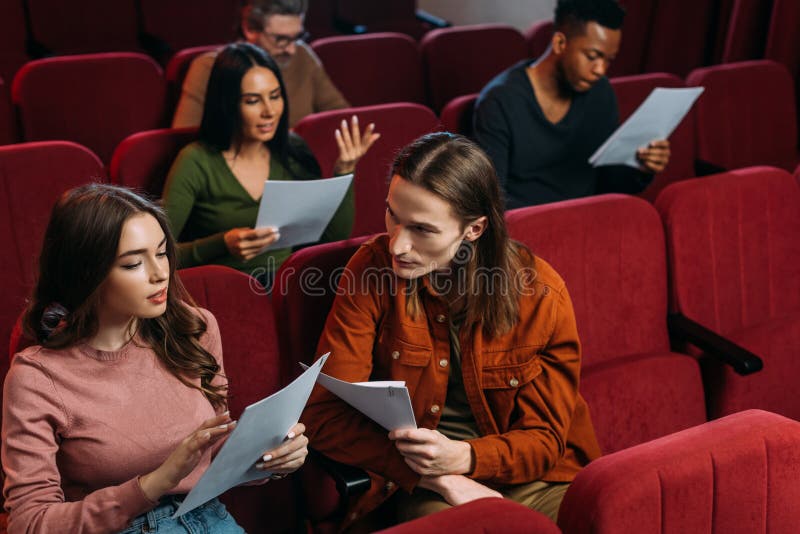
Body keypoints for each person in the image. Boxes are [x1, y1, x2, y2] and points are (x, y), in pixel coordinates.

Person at [302, 133, 601, 530]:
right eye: (392, 215)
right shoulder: (370, 272)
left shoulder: (540, 293)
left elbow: (545, 440)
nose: (398, 245)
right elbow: (324, 414)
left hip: (536, 480)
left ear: (474, 229)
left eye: (422, 229)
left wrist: (465, 457)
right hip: (425, 484)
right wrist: (440, 477)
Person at [1, 184, 309, 533]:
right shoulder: (37, 377)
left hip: (209, 518)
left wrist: (268, 455)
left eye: (162, 253)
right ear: (85, 273)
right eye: (133, 263)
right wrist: (153, 484)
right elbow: (28, 523)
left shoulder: (194, 329)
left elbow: (212, 447)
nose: (160, 273)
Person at [163, 42, 378, 285]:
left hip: (289, 283)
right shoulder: (195, 161)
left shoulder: (292, 150)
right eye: (252, 101)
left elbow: (331, 239)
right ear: (227, 104)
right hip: (224, 288)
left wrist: (344, 170)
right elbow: (159, 254)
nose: (270, 111)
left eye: (275, 96)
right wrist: (221, 244)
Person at [473, 0, 672, 208]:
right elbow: (491, 201)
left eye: (608, 60)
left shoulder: (601, 92)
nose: (600, 70)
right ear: (560, 43)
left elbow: (609, 183)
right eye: (592, 56)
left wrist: (642, 167)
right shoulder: (500, 101)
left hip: (586, 218)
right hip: (527, 223)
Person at [172, 0, 348, 129]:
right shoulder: (208, 67)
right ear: (249, 29)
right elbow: (186, 137)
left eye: (297, 37)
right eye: (281, 39)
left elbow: (340, 116)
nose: (292, 49)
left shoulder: (303, 55)